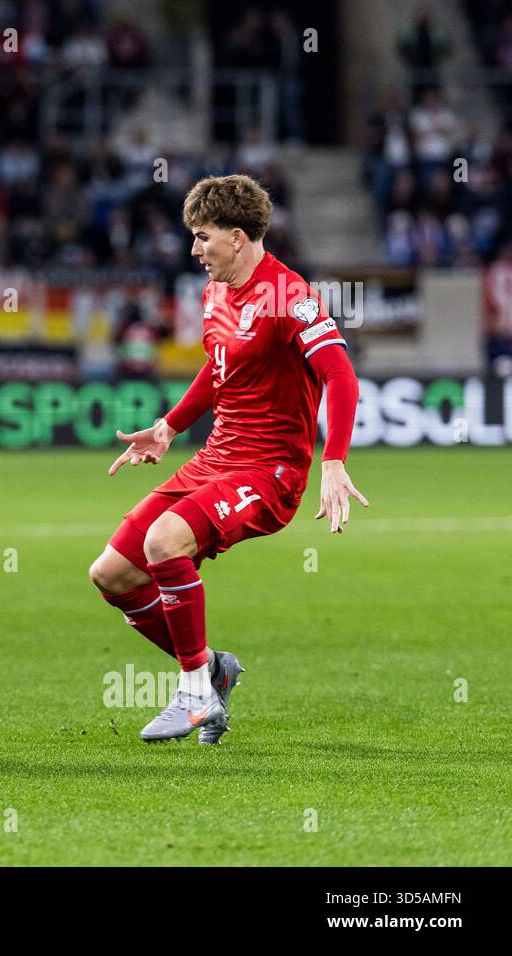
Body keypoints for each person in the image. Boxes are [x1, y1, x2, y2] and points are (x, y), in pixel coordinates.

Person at [88, 175, 366, 744]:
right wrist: (168, 427)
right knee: (112, 574)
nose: (194, 250)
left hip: (270, 471)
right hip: (215, 458)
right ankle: (212, 669)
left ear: (238, 237)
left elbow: (340, 374)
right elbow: (217, 372)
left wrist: (333, 460)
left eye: (202, 237)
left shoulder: (289, 295)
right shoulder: (215, 291)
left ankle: (195, 696)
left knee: (164, 542)